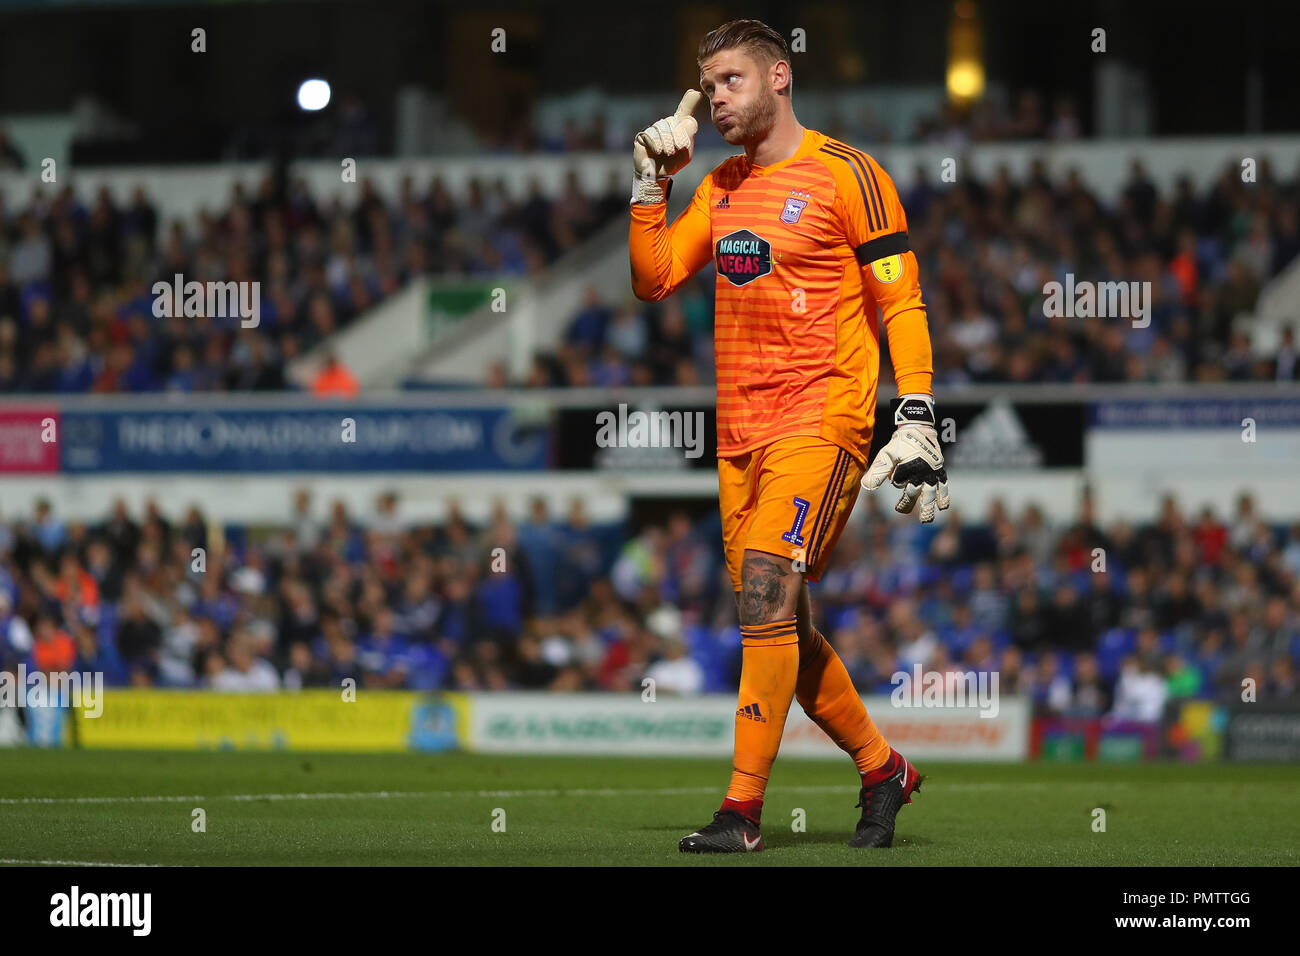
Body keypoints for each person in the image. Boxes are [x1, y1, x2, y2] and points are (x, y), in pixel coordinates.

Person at [629, 19, 948, 853]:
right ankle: (884, 770)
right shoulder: (722, 187)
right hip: (740, 435)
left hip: (824, 418)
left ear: (780, 76)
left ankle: (740, 812)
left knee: (768, 587)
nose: (714, 101)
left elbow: (900, 301)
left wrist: (915, 408)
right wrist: (648, 188)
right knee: (778, 624)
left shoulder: (851, 175)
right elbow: (655, 278)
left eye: (730, 81)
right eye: (707, 86)